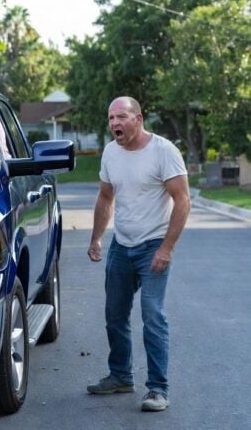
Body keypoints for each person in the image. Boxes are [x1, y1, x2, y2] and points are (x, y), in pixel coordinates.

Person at [86, 96, 191, 412]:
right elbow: (105, 198)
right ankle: (120, 376)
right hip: (122, 245)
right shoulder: (110, 152)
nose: (114, 123)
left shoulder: (164, 151)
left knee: (152, 315)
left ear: (138, 118)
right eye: (110, 118)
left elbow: (183, 200)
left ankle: (158, 389)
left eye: (121, 117)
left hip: (152, 247)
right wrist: (96, 239)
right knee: (114, 315)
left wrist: (167, 248)